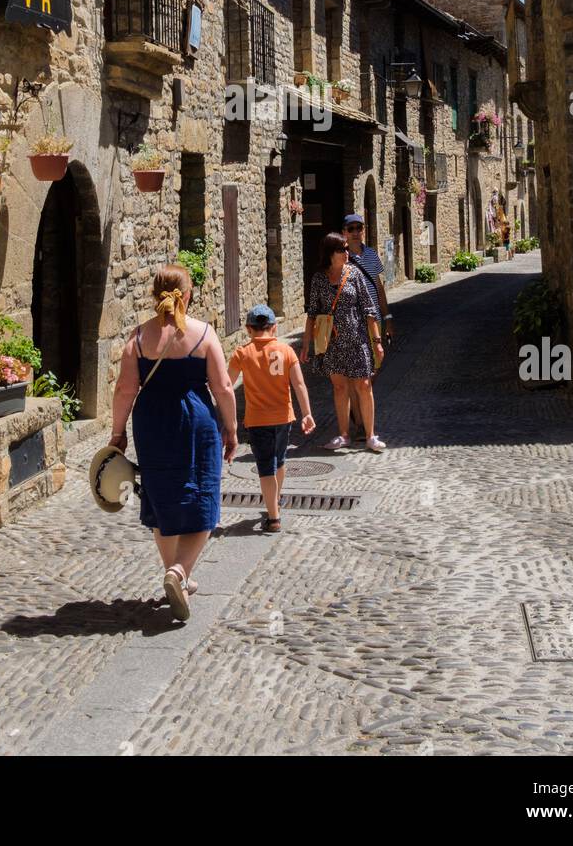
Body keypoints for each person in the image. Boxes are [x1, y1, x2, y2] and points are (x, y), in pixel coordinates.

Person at [108, 265, 238, 622]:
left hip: (152, 422)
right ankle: (179, 572)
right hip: (197, 422)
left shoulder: (137, 339)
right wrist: (232, 427)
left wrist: (117, 433)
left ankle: (176, 572)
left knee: (160, 492)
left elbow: (124, 390)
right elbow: (223, 387)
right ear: (189, 295)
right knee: (203, 494)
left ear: (154, 296)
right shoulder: (204, 334)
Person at [227, 304, 315, 533]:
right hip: (284, 418)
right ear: (274, 328)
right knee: (280, 460)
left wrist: (227, 420)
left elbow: (227, 386)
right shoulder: (286, 351)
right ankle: (275, 501)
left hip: (257, 420)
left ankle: (274, 518)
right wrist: (307, 414)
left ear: (248, 329)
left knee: (266, 467)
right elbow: (299, 384)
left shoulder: (241, 353)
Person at [300, 232, 386, 452]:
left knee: (363, 386)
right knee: (339, 388)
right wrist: (306, 345)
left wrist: (377, 341)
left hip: (357, 340)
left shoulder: (355, 274)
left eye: (347, 249)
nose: (347, 253)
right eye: (342, 250)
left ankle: (370, 436)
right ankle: (344, 434)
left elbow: (369, 309)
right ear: (330, 253)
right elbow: (312, 313)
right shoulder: (319, 278)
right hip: (332, 343)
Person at [343, 212, 393, 440]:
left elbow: (380, 289)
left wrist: (388, 317)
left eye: (359, 228)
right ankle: (362, 424)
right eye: (351, 228)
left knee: (373, 372)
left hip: (375, 323)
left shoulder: (371, 255)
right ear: (345, 232)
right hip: (354, 323)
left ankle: (358, 412)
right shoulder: (341, 258)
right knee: (359, 375)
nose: (355, 232)